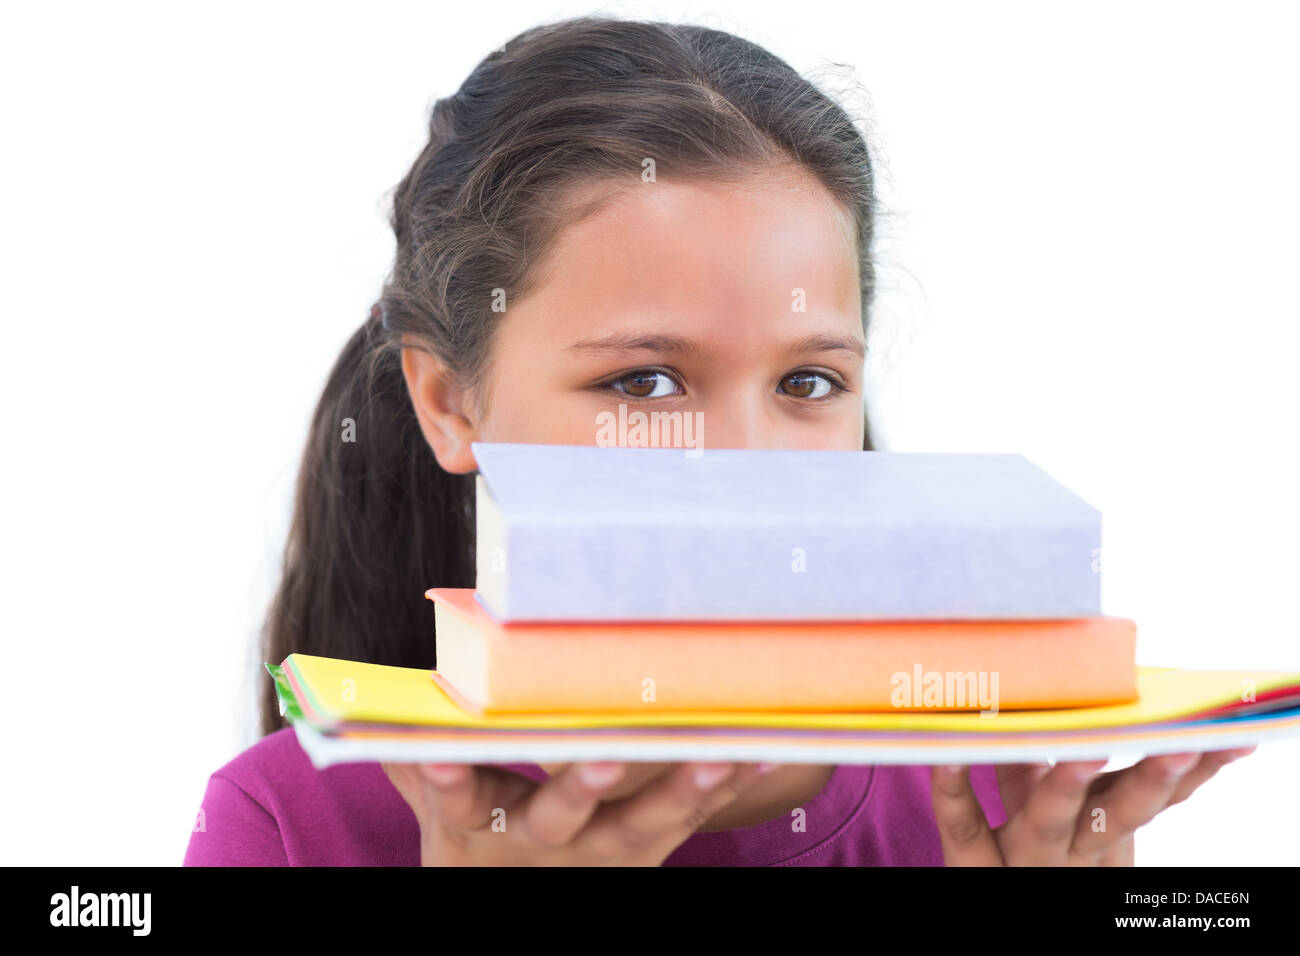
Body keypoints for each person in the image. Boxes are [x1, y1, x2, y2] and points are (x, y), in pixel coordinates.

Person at [183, 15, 1252, 867]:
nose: (746, 461)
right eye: (644, 381)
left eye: (806, 380)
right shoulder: (291, 825)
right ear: (450, 402)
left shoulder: (996, 795)